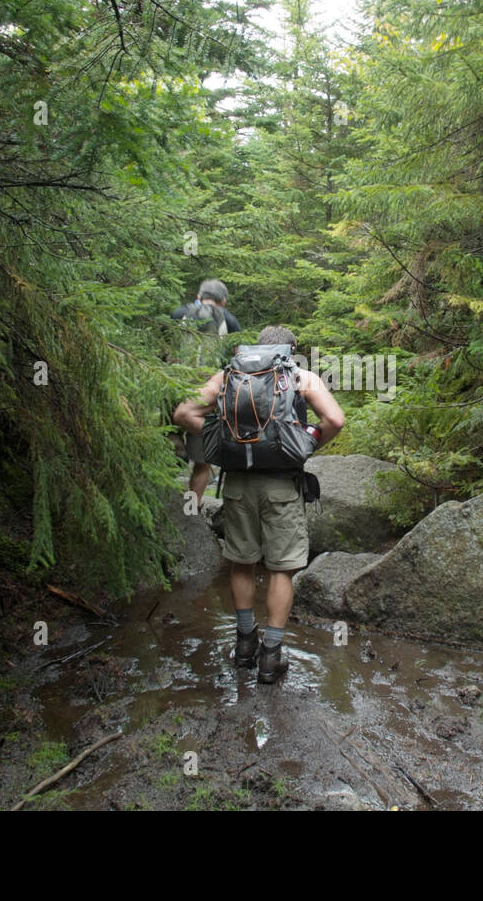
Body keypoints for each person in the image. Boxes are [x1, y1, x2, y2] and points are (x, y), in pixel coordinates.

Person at [172, 326, 344, 684]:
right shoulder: (298, 375)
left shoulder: (228, 375)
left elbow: (184, 414)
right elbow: (335, 420)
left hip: (237, 484)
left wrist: (221, 446)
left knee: (241, 562)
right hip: (282, 484)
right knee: (282, 569)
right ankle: (271, 656)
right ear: (290, 349)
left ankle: (245, 645)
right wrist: (305, 444)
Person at [169, 279, 243, 502]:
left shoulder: (178, 313)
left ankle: (176, 448)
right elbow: (238, 358)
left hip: (173, 386)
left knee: (169, 434)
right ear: (223, 300)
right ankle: (192, 509)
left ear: (199, 296)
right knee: (202, 463)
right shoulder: (229, 320)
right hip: (207, 394)